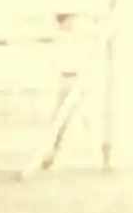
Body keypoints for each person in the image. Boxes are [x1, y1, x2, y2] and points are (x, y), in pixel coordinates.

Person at [17, 11, 111, 179]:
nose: (68, 23)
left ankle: (98, 161)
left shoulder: (82, 33)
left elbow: (99, 36)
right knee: (65, 121)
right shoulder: (63, 36)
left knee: (71, 120)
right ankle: (52, 157)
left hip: (79, 81)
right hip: (67, 81)